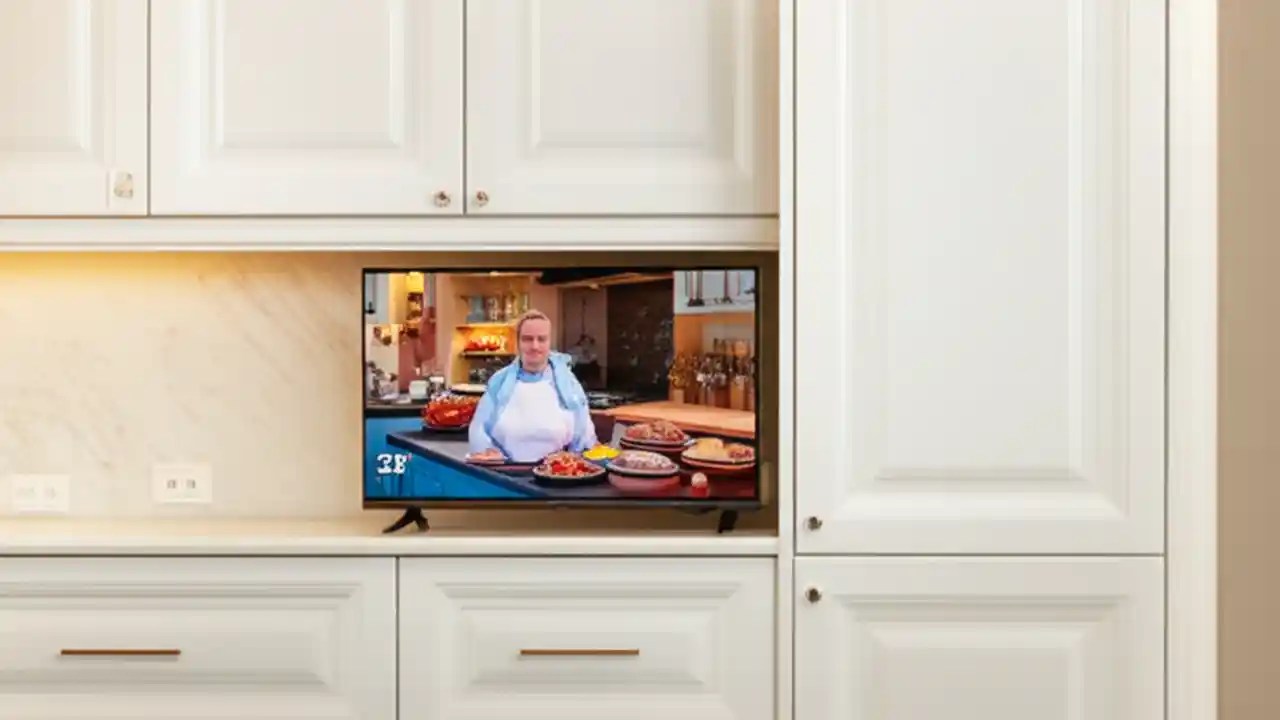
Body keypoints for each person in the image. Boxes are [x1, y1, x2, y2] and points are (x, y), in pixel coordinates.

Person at [468, 309, 598, 462]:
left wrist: (570, 461)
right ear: (518, 343)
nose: (535, 346)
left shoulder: (569, 384)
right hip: (504, 472)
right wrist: (488, 452)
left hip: (557, 475)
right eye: (527, 339)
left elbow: (584, 436)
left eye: (541, 339)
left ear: (549, 342)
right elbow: (479, 428)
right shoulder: (499, 382)